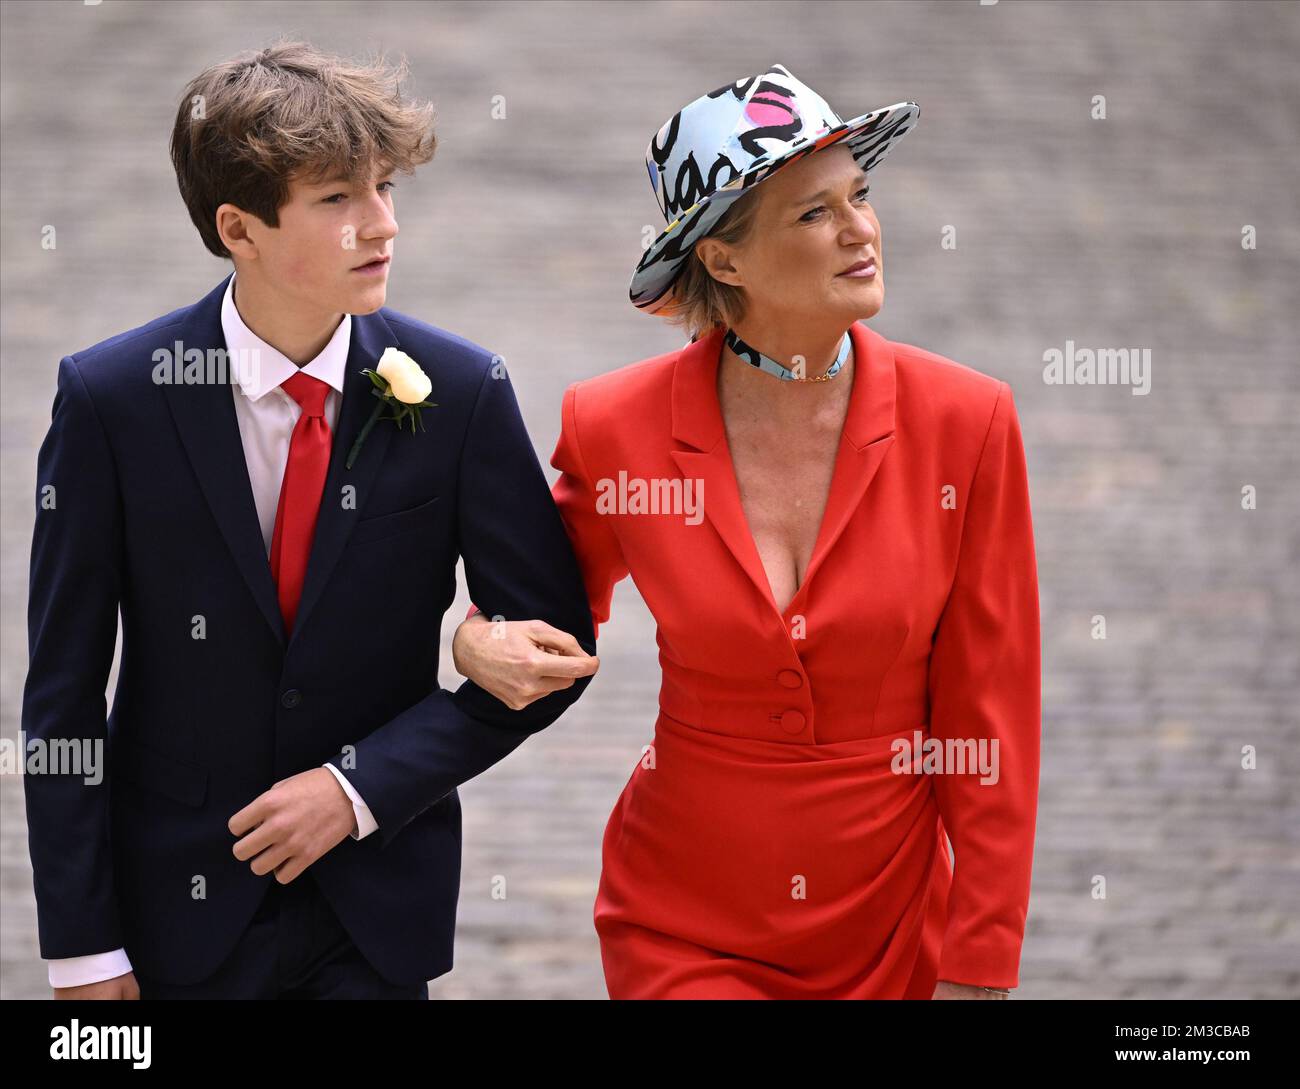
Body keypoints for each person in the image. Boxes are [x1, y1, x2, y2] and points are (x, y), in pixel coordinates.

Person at [22, 40, 598, 1000]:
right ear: (239, 228)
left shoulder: (458, 391)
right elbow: (63, 699)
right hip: (170, 919)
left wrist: (361, 786)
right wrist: (84, 951)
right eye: (338, 199)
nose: (383, 225)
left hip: (373, 920)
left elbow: (560, 649)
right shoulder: (111, 400)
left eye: (383, 187)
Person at [455, 63, 1041, 998]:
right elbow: (538, 606)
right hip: (682, 920)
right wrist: (477, 635)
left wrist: (981, 959)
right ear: (722, 259)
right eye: (813, 213)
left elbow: (991, 709)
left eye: (859, 195)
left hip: (891, 922)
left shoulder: (966, 423)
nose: (860, 230)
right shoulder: (619, 426)